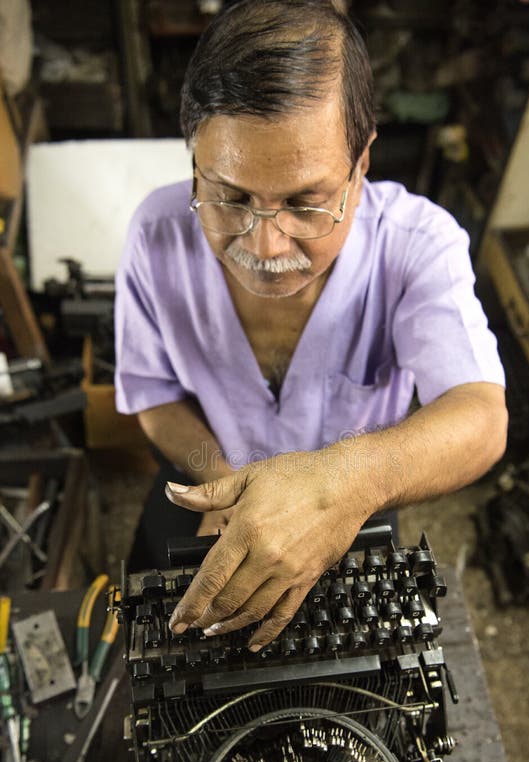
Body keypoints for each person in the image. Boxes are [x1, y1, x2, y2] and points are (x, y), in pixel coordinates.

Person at [114, 0, 507, 653]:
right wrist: (230, 485)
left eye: (305, 203)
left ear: (361, 162)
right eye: (230, 197)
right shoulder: (155, 237)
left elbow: (480, 415)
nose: (265, 247)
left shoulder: (416, 244)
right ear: (193, 162)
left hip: (357, 500)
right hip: (214, 493)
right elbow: (151, 393)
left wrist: (345, 484)